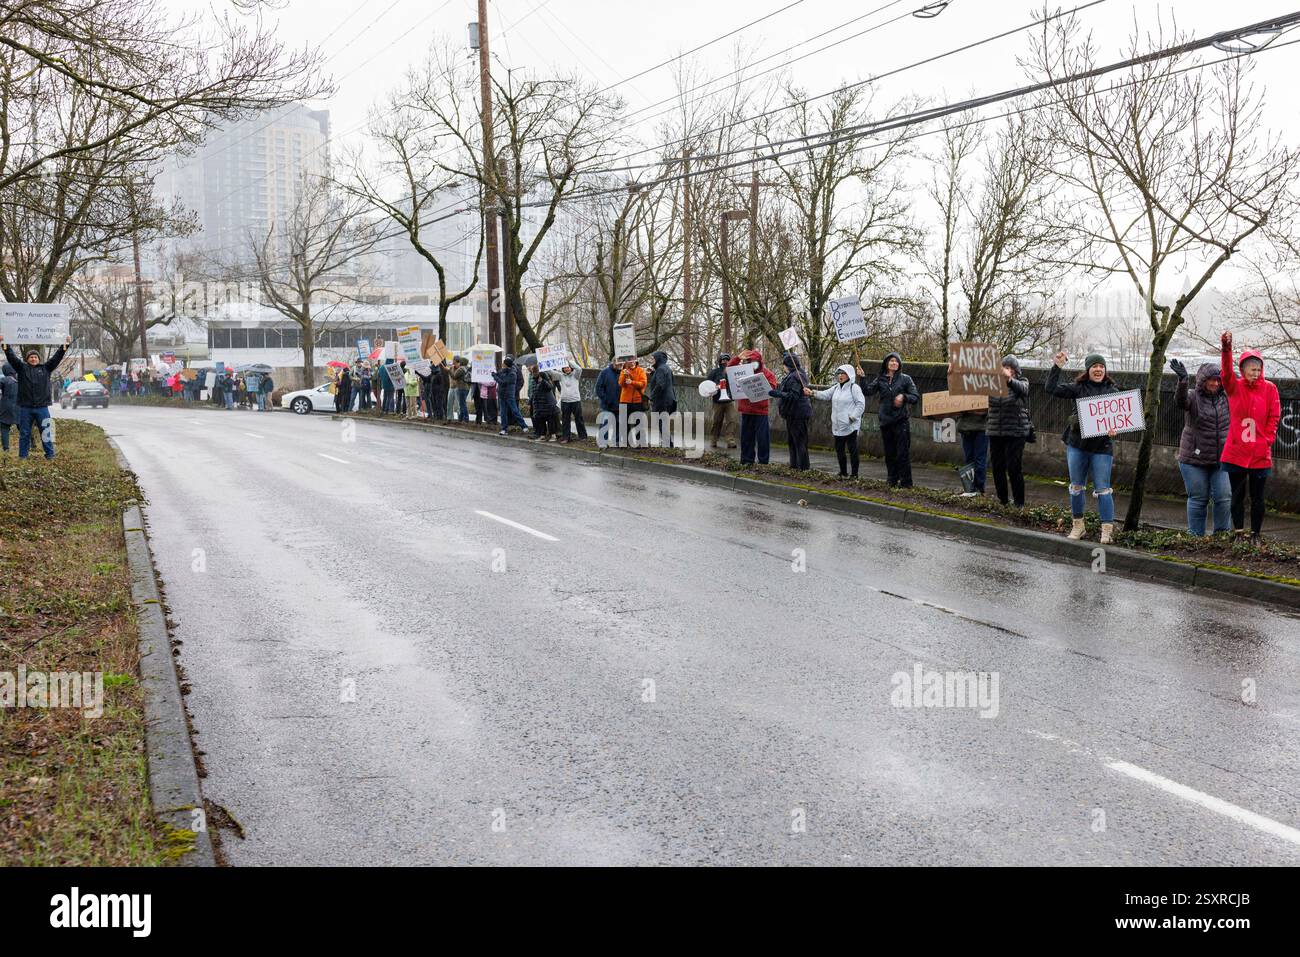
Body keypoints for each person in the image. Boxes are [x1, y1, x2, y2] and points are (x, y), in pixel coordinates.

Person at [1045, 351, 1120, 544]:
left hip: (1101, 448)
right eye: (1094, 366)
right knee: (1076, 487)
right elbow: (1050, 388)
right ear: (1088, 370)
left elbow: (1120, 420)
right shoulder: (1078, 388)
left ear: (1105, 370)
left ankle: (1106, 531)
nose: (1098, 369)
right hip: (1077, 445)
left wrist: (1115, 430)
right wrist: (1057, 366)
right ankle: (1078, 527)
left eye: (1101, 366)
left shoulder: (1113, 392)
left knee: (1103, 489)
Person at [1219, 331, 1281, 542]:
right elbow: (1225, 372)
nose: (1256, 373)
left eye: (1258, 369)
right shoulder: (1235, 387)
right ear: (1243, 370)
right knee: (1237, 495)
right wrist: (1226, 348)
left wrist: (1268, 439)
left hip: (1259, 452)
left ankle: (1255, 533)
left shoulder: (1270, 389)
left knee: (1258, 497)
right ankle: (1238, 532)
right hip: (1236, 451)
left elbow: (1274, 415)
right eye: (1252, 369)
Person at [1169, 358, 1231, 536]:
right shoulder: (1192, 396)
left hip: (1220, 459)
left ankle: (1221, 535)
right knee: (1198, 498)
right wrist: (1182, 381)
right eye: (1211, 379)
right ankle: (1195, 537)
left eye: (1218, 379)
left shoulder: (1226, 398)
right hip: (1193, 459)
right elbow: (1180, 402)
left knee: (1224, 497)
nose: (1215, 383)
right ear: (1202, 381)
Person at [1, 334, 70, 460]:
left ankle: (50, 455)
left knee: (46, 432)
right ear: (27, 359)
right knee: (24, 433)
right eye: (31, 357)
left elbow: (56, 358)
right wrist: (4, 345)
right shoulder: (21, 368)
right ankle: (23, 456)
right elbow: (11, 357)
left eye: (35, 357)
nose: (33, 359)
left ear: (39, 359)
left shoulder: (46, 368)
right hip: (25, 408)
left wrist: (65, 346)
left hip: (42, 408)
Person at [859, 352, 919, 487]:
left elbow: (915, 397)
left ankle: (906, 482)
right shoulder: (880, 379)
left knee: (902, 453)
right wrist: (862, 378)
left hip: (901, 421)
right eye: (891, 361)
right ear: (886, 363)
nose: (894, 363)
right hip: (886, 421)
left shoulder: (905, 379)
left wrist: (903, 397)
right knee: (889, 453)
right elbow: (867, 391)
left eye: (896, 361)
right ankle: (892, 479)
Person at [986, 355, 1032, 508]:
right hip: (995, 431)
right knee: (997, 467)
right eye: (1005, 367)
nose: (1007, 371)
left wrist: (1010, 381)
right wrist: (952, 374)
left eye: (1010, 368)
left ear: (1016, 371)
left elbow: (1024, 390)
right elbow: (968, 387)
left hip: (1015, 432)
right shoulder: (992, 385)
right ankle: (1003, 500)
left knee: (1014, 468)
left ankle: (1019, 503)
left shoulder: (1021, 382)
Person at [808, 364, 865, 477]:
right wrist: (812, 393)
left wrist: (853, 417)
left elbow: (861, 404)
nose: (840, 376)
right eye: (839, 373)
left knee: (853, 450)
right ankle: (843, 472)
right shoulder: (836, 387)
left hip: (850, 425)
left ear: (849, 375)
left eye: (843, 373)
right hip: (837, 425)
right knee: (839, 450)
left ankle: (854, 474)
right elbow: (825, 395)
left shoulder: (854, 388)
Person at [726, 349, 778, 465]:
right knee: (746, 437)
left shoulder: (767, 373)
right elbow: (729, 370)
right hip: (747, 410)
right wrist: (738, 358)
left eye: (755, 362)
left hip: (761, 411)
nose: (753, 364)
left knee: (762, 438)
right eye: (750, 361)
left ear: (760, 362)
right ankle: (746, 459)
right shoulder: (743, 371)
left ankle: (763, 461)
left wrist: (763, 386)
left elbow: (773, 387)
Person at [769, 352, 812, 470]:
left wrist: (778, 393)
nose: (783, 367)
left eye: (784, 365)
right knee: (793, 440)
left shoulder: (795, 377)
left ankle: (802, 467)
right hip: (793, 413)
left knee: (799, 441)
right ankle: (795, 465)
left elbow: (794, 395)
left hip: (797, 413)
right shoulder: (797, 374)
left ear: (788, 365)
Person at [706, 353, 737, 449]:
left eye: (727, 360)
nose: (725, 362)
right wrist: (715, 386)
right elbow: (707, 385)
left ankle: (730, 440)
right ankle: (713, 439)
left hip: (729, 401)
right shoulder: (714, 372)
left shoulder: (732, 372)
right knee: (716, 421)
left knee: (731, 420)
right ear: (720, 361)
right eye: (723, 360)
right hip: (717, 402)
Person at [648, 351, 677, 447]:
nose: (651, 360)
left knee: (661, 422)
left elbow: (660, 385)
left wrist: (651, 397)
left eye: (653, 358)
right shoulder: (666, 368)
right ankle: (668, 443)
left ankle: (667, 443)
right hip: (669, 399)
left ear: (658, 359)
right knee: (664, 422)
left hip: (662, 400)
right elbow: (668, 381)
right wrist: (653, 373)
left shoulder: (660, 369)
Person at [618, 358, 648, 447]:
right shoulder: (624, 371)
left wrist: (632, 382)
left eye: (632, 360)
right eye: (629, 360)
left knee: (638, 423)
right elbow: (621, 384)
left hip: (637, 401)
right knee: (624, 423)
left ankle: (640, 442)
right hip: (625, 400)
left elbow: (643, 384)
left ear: (635, 361)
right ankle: (625, 442)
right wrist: (624, 374)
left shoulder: (640, 370)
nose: (631, 362)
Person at [494, 355, 527, 435]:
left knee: (515, 411)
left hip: (510, 395)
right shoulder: (502, 370)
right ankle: (504, 429)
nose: (502, 365)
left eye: (503, 364)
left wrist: (495, 377)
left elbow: (503, 382)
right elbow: (499, 375)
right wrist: (494, 374)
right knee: (503, 413)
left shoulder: (513, 373)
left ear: (507, 365)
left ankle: (524, 426)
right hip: (502, 395)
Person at [557, 361, 586, 442]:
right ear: (562, 368)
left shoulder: (576, 375)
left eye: (568, 367)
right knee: (565, 420)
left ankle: (583, 436)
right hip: (565, 401)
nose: (566, 369)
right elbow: (551, 373)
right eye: (565, 367)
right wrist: (543, 365)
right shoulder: (561, 376)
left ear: (571, 367)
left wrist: (568, 361)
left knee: (579, 419)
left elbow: (579, 369)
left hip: (575, 400)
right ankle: (566, 437)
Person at [595, 358, 621, 444]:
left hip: (620, 404)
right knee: (605, 423)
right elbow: (598, 388)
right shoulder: (605, 372)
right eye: (617, 362)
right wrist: (606, 399)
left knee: (618, 424)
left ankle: (616, 441)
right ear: (613, 362)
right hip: (607, 404)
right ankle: (603, 441)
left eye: (621, 363)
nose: (619, 365)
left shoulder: (624, 373)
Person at [531, 370, 560, 441]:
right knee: (541, 421)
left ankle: (553, 436)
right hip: (539, 405)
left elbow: (549, 387)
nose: (533, 374)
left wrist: (543, 380)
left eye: (534, 372)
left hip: (548, 405)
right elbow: (534, 393)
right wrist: (531, 402)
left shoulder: (545, 380)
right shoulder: (534, 381)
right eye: (533, 373)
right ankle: (542, 436)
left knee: (551, 421)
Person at [1, 362, 17, 455]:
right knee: (24, 427)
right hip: (19, 406)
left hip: (5, 406)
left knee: (4, 428)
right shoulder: (20, 379)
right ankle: (32, 444)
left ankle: (6, 449)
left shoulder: (4, 380)